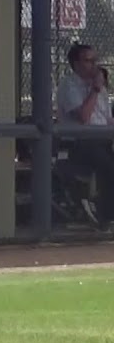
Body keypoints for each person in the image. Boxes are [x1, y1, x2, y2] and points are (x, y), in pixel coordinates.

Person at [56, 42, 114, 229]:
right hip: (79, 142)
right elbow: (83, 117)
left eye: (95, 60)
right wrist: (95, 90)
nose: (94, 65)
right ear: (76, 63)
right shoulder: (69, 85)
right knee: (108, 165)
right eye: (88, 61)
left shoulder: (99, 87)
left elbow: (107, 119)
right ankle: (107, 216)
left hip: (103, 138)